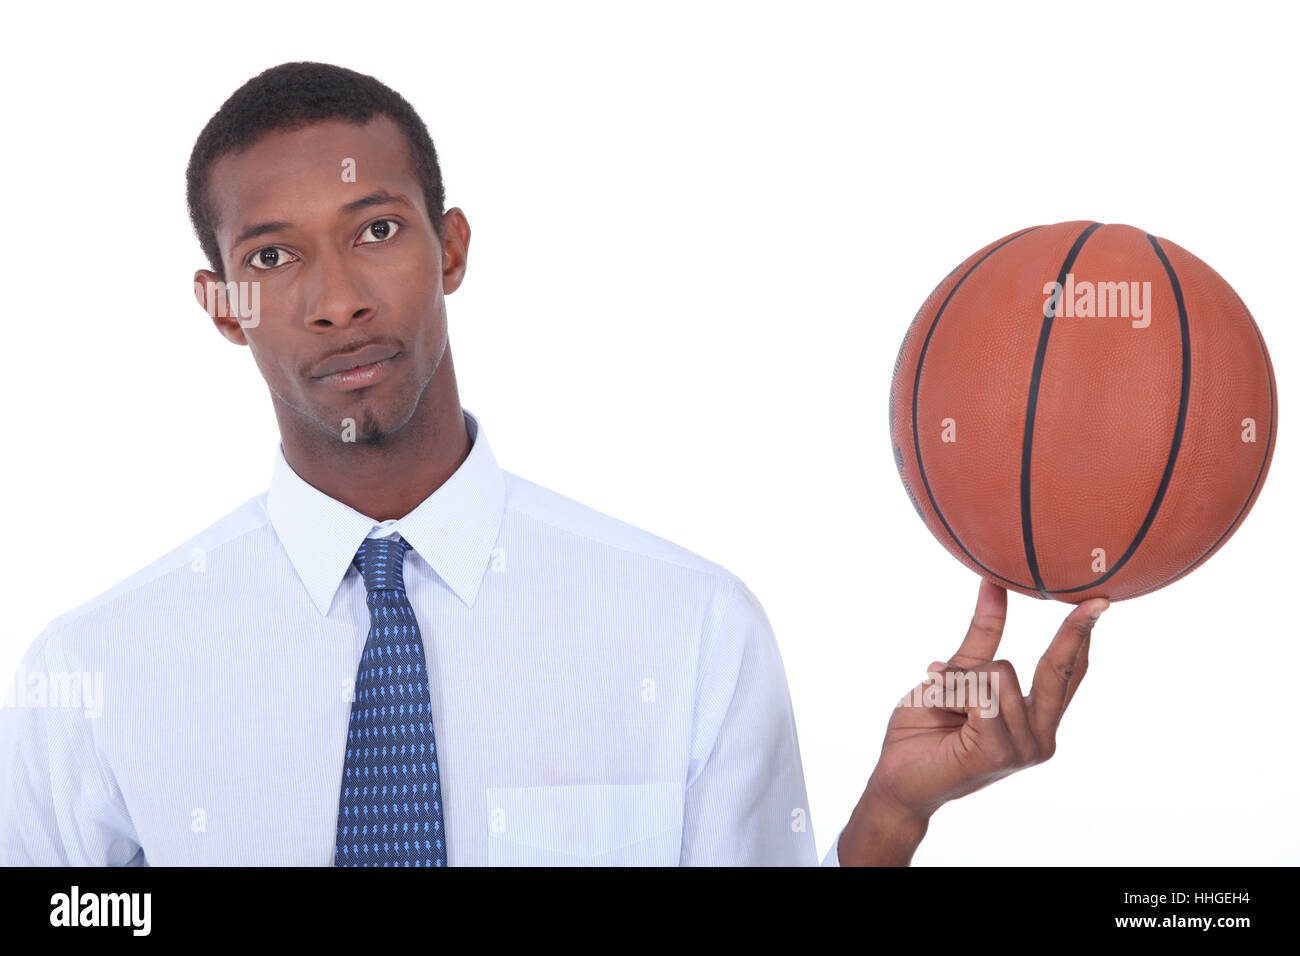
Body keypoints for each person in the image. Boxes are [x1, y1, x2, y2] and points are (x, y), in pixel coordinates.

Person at [0, 61, 1108, 867]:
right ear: (222, 307)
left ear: (454, 249)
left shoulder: (690, 628)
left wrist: (889, 816)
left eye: (377, 230)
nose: (335, 298)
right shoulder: (94, 680)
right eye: (273, 255)